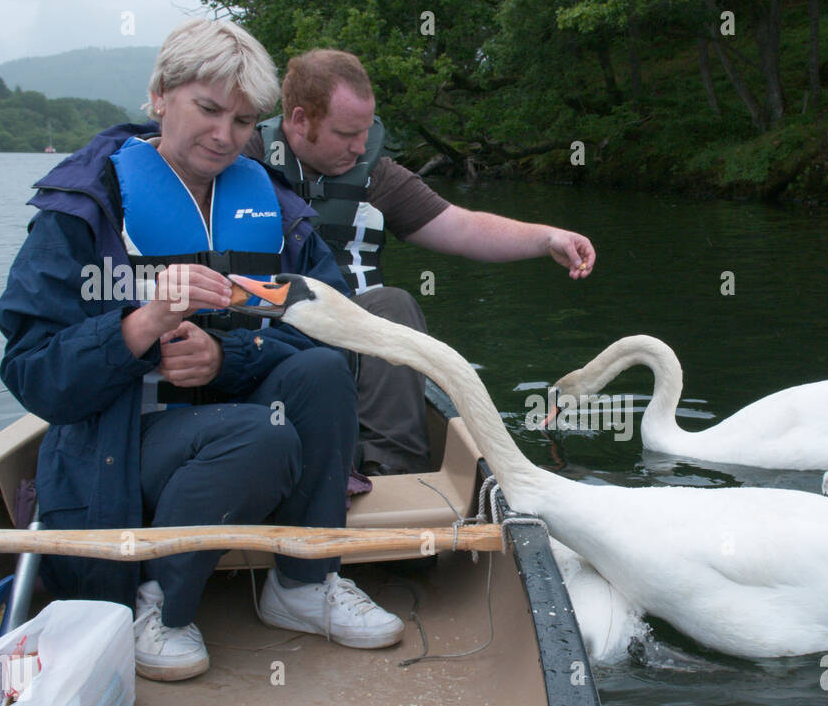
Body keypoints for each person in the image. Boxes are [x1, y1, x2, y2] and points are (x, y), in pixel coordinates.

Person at [0, 19, 404, 683]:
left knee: (324, 368)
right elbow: (32, 371)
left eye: (244, 122)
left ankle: (303, 583)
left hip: (239, 443)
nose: (225, 135)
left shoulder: (276, 208)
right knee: (258, 437)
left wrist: (227, 358)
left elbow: (334, 327)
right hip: (121, 454)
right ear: (160, 96)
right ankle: (158, 609)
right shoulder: (81, 211)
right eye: (208, 109)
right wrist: (137, 328)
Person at [245, 49, 597, 476]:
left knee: (394, 304)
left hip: (359, 338)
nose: (361, 148)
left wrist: (547, 238)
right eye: (344, 134)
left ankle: (391, 472)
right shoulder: (239, 158)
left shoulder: (377, 175)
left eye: (366, 131)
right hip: (265, 329)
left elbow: (464, 228)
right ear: (299, 120)